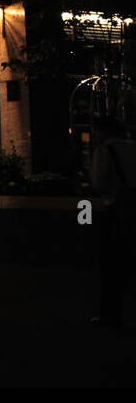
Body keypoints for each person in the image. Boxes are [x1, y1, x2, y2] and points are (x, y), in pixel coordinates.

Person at [89, 116, 136, 326]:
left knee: (111, 266)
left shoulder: (104, 151)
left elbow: (99, 183)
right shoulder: (133, 147)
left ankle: (110, 314)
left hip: (116, 209)